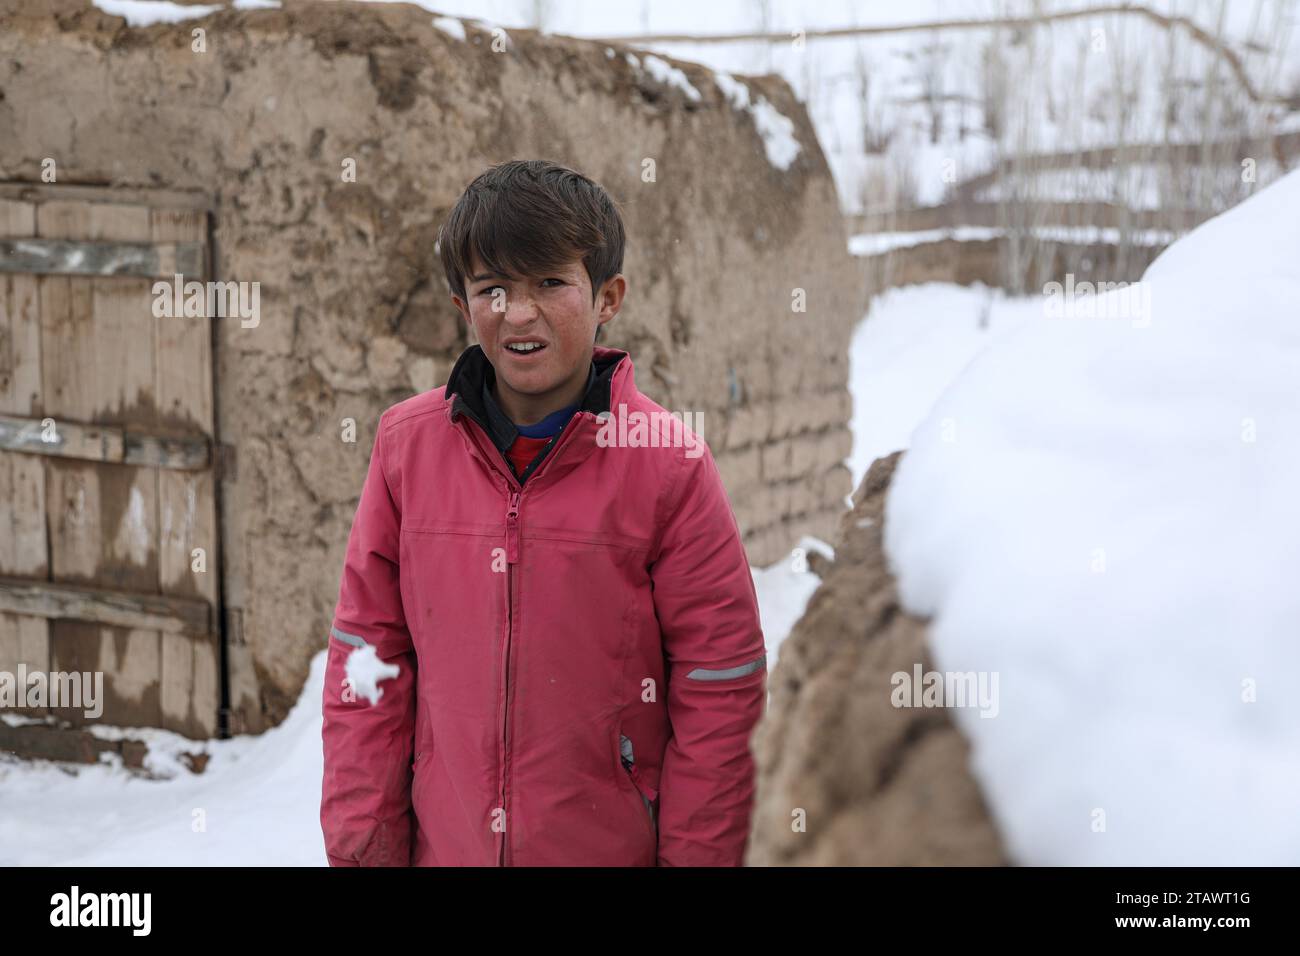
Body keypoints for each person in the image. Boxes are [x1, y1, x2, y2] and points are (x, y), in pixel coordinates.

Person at [320, 159, 767, 866]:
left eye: (549, 284)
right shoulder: (407, 448)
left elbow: (720, 687)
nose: (517, 313)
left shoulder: (667, 464)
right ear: (464, 305)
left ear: (607, 297)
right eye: (491, 288)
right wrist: (365, 852)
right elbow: (367, 662)